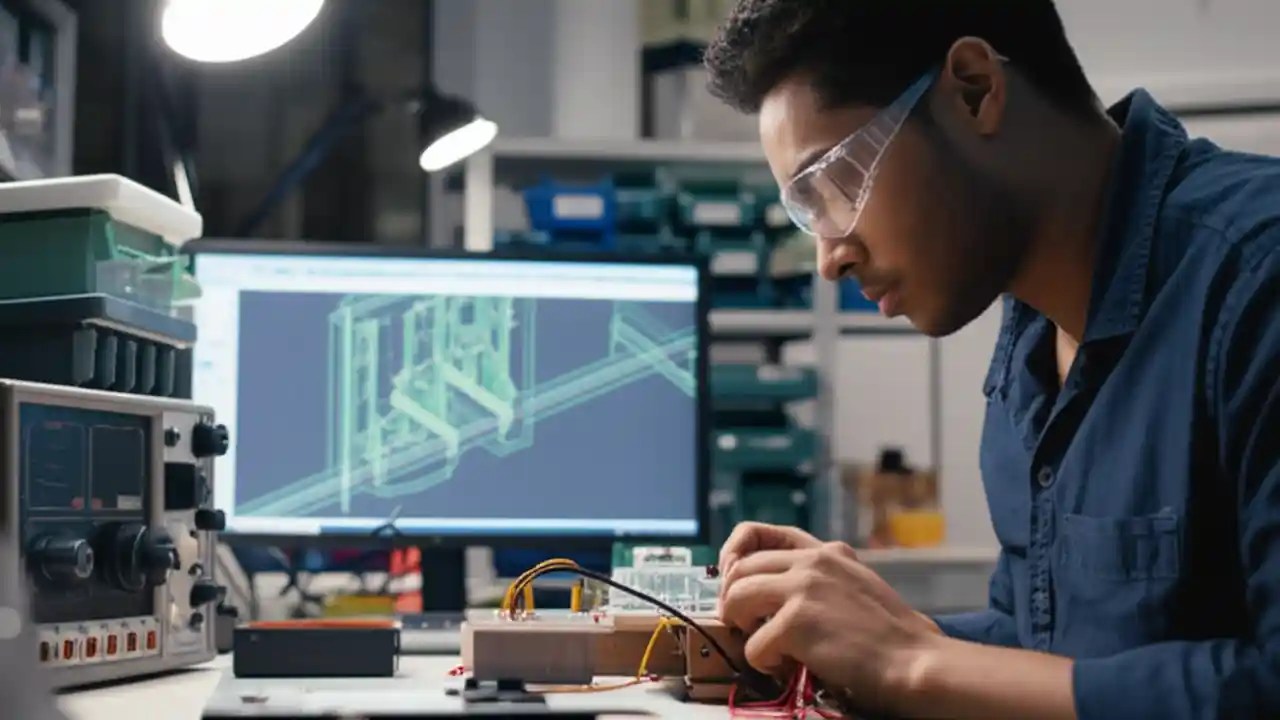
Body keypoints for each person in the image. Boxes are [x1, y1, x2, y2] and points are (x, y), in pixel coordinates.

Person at [703, 2, 1280, 719]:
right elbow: (1044, 651)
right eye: (806, 212)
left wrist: (911, 661)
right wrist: (871, 628)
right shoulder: (1030, 352)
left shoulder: (1257, 277)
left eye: (837, 182)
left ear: (975, 89)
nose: (830, 258)